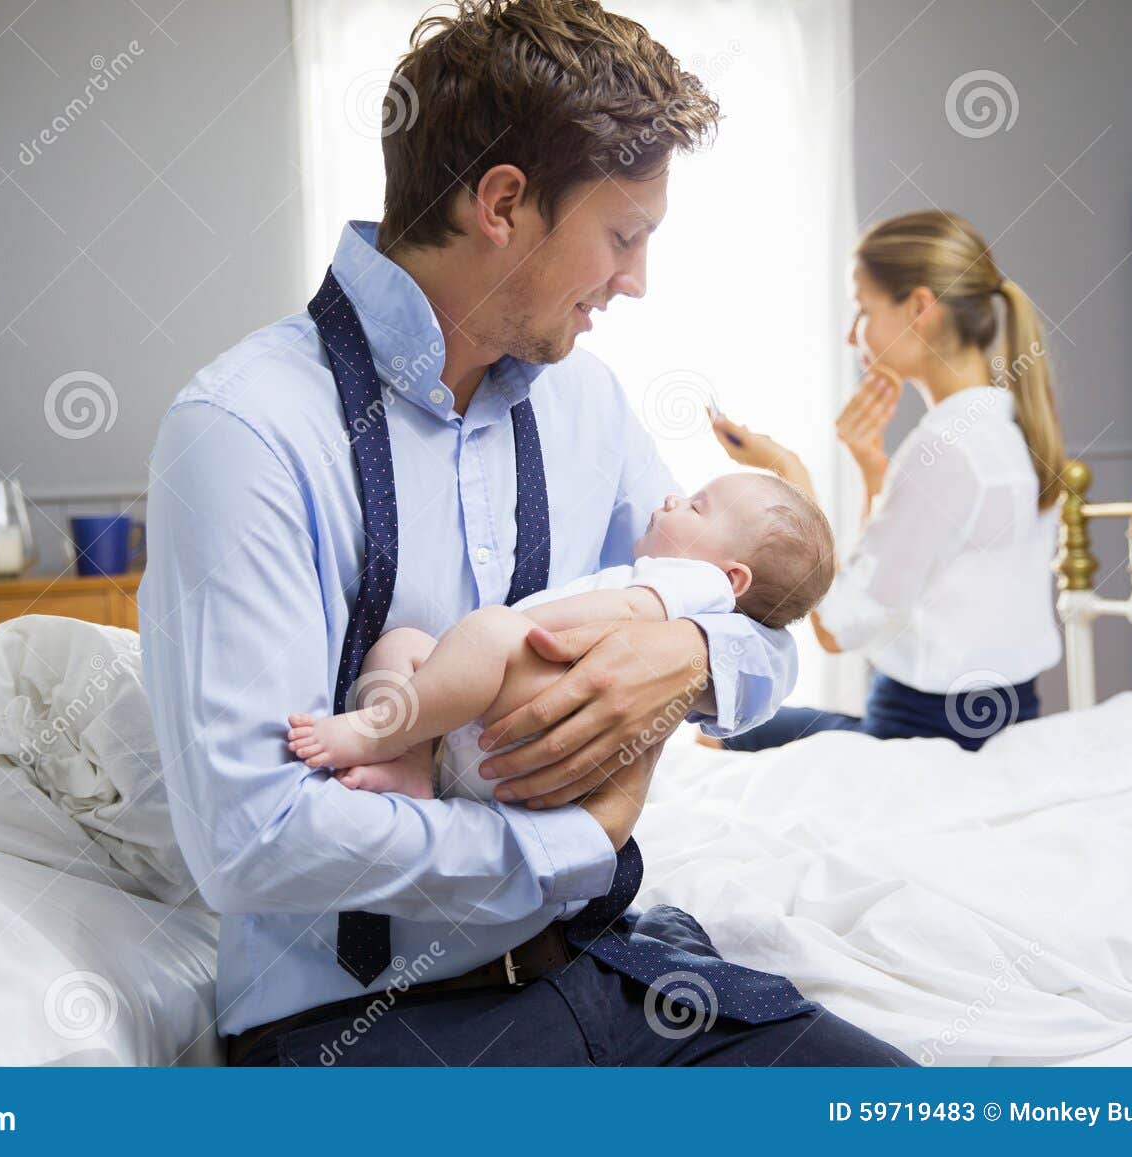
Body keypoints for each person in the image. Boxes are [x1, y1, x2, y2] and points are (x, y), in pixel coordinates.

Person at [138, 0, 914, 1066]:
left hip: (607, 965)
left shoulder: (584, 401)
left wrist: (685, 655)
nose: (635, 281)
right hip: (360, 1029)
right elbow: (252, 838)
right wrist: (574, 837)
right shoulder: (244, 430)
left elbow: (760, 617)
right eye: (623, 236)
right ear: (504, 203)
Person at [707, 209, 1063, 753]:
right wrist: (873, 466)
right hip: (1005, 722)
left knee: (719, 735)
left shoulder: (943, 448)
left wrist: (791, 475)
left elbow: (835, 629)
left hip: (919, 735)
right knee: (746, 732)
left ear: (920, 307)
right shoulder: (1011, 423)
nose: (854, 336)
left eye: (863, 310)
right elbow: (909, 575)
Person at [286, 473, 835, 797]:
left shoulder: (695, 583)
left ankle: (377, 731)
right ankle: (412, 764)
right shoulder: (692, 574)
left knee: (485, 632)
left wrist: (515, 629)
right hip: (492, 724)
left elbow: (623, 609)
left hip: (533, 711)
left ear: (732, 576)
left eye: (695, 506)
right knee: (405, 643)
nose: (672, 500)